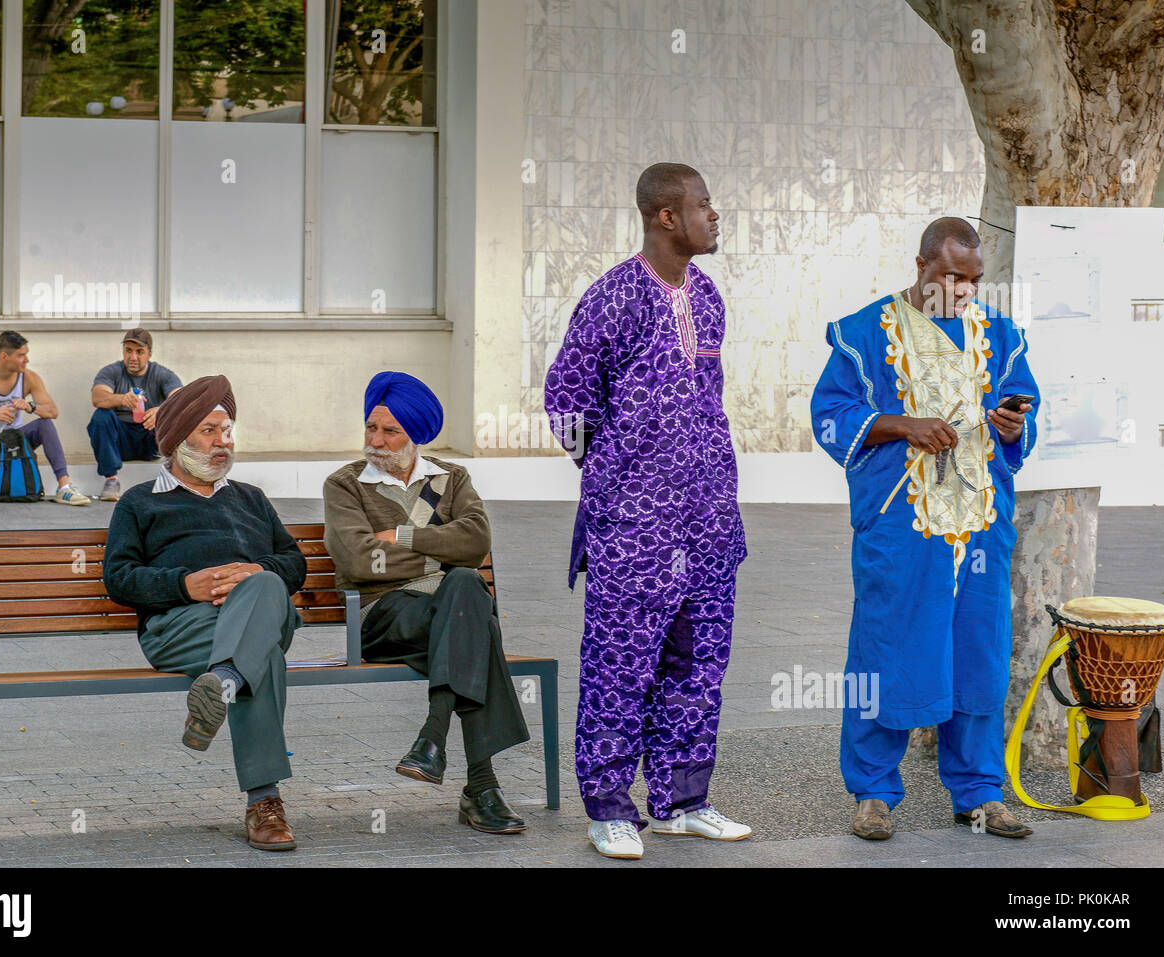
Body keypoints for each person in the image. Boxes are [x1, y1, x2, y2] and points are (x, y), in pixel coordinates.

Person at [544, 163, 751, 860]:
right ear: (667, 216)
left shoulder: (710, 298)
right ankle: (609, 808)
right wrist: (611, 476)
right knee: (619, 664)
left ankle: (683, 800)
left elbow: (710, 399)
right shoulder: (613, 298)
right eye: (703, 203)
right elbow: (567, 401)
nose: (713, 214)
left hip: (710, 520)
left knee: (700, 661)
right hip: (634, 527)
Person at [809, 216, 1040, 841]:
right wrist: (902, 424)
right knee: (888, 647)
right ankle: (874, 793)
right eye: (951, 278)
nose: (963, 292)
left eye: (973, 281)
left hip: (981, 527)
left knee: (978, 653)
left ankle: (979, 793)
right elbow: (831, 415)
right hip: (903, 525)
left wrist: (1014, 424)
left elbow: (1023, 405)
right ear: (921, 266)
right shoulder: (863, 333)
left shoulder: (1000, 333)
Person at [103, 375, 307, 851]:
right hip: (181, 626)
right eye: (210, 431)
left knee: (264, 587)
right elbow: (119, 578)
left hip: (260, 614)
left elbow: (294, 563)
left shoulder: (250, 497)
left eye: (227, 430)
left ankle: (224, 683)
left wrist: (257, 570)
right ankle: (263, 800)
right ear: (176, 440)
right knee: (262, 655)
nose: (223, 442)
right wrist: (183, 584)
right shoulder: (140, 502)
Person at [323, 371, 531, 835]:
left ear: (414, 435)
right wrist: (441, 554)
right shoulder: (346, 485)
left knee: (462, 588)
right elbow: (360, 561)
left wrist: (403, 537)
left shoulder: (452, 478)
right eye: (371, 428)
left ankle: (434, 742)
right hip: (383, 617)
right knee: (468, 599)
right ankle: (480, 786)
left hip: (445, 618)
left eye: (390, 431)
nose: (376, 439)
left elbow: (476, 541)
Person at [0, 330, 90, 507]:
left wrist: (31, 407)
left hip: (15, 443)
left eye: (26, 355)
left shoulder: (29, 378)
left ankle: (64, 487)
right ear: (4, 356)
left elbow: (52, 412)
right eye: (21, 355)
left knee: (45, 423)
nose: (27, 360)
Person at [88, 327, 183, 501]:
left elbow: (182, 400)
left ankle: (177, 479)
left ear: (149, 354)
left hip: (151, 440)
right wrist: (122, 399)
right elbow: (97, 397)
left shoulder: (162, 374)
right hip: (120, 442)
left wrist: (161, 411)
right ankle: (111, 480)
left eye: (139, 352)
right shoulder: (112, 371)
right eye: (128, 351)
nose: (133, 357)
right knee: (101, 415)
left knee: (174, 417)